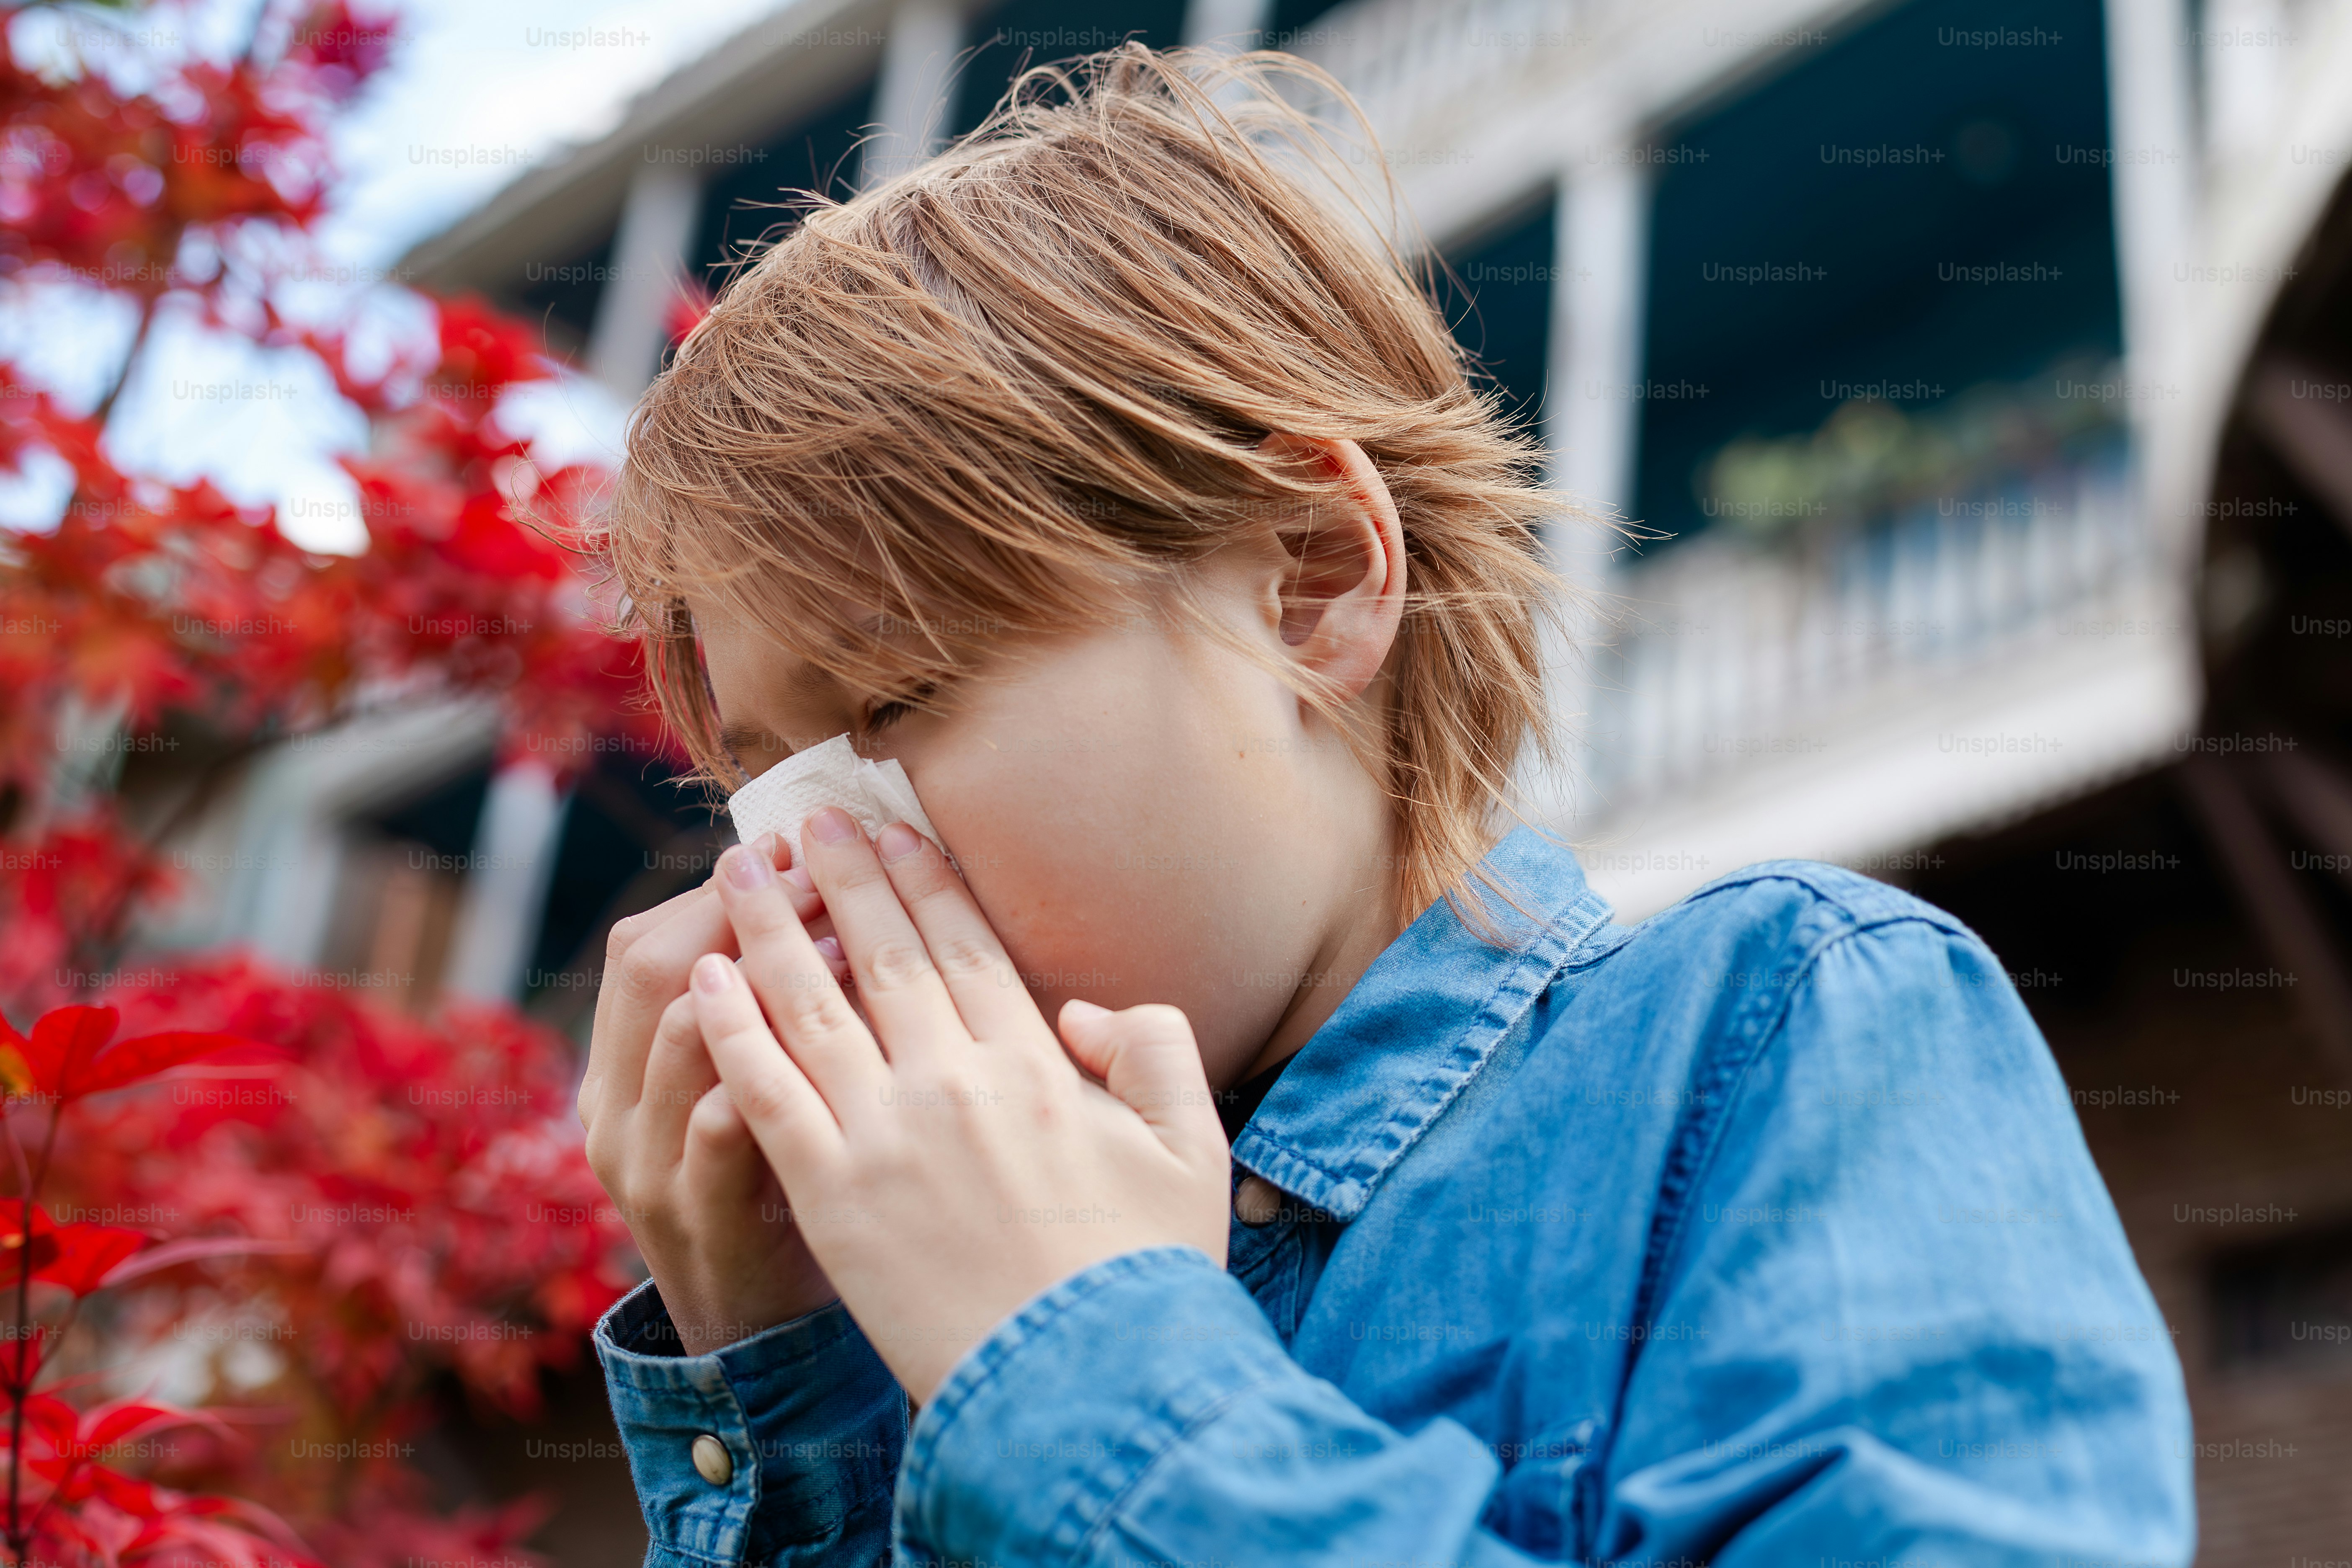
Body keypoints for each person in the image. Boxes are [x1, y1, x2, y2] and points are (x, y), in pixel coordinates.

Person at [575, 44, 2193, 1568]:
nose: (808, 854)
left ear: (1314, 580)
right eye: (763, 775)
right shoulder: (886, 1318)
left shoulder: (1773, 1033)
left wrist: (1085, 1372)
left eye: (901, 699)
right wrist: (781, 1371)